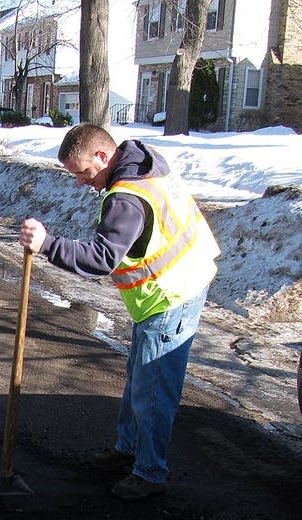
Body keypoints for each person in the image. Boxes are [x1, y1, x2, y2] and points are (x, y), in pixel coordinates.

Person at [19, 123, 220, 500]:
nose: (81, 182)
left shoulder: (127, 197)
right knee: (139, 379)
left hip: (170, 295)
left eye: (83, 172)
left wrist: (48, 244)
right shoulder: (143, 163)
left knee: (153, 389)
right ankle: (127, 451)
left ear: (103, 156)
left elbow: (100, 259)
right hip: (184, 280)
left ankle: (149, 472)